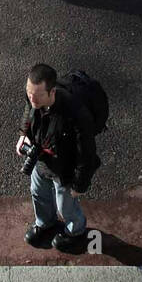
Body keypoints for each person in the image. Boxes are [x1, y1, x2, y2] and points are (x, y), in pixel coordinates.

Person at [18, 63, 99, 254]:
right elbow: (28, 112)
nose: (31, 99)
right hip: (42, 160)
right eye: (29, 93)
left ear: (52, 91)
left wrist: (79, 185)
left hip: (65, 169)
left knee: (66, 206)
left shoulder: (76, 114)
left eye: (37, 95)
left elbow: (86, 153)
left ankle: (75, 231)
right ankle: (45, 223)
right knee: (38, 193)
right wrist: (23, 134)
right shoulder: (34, 98)